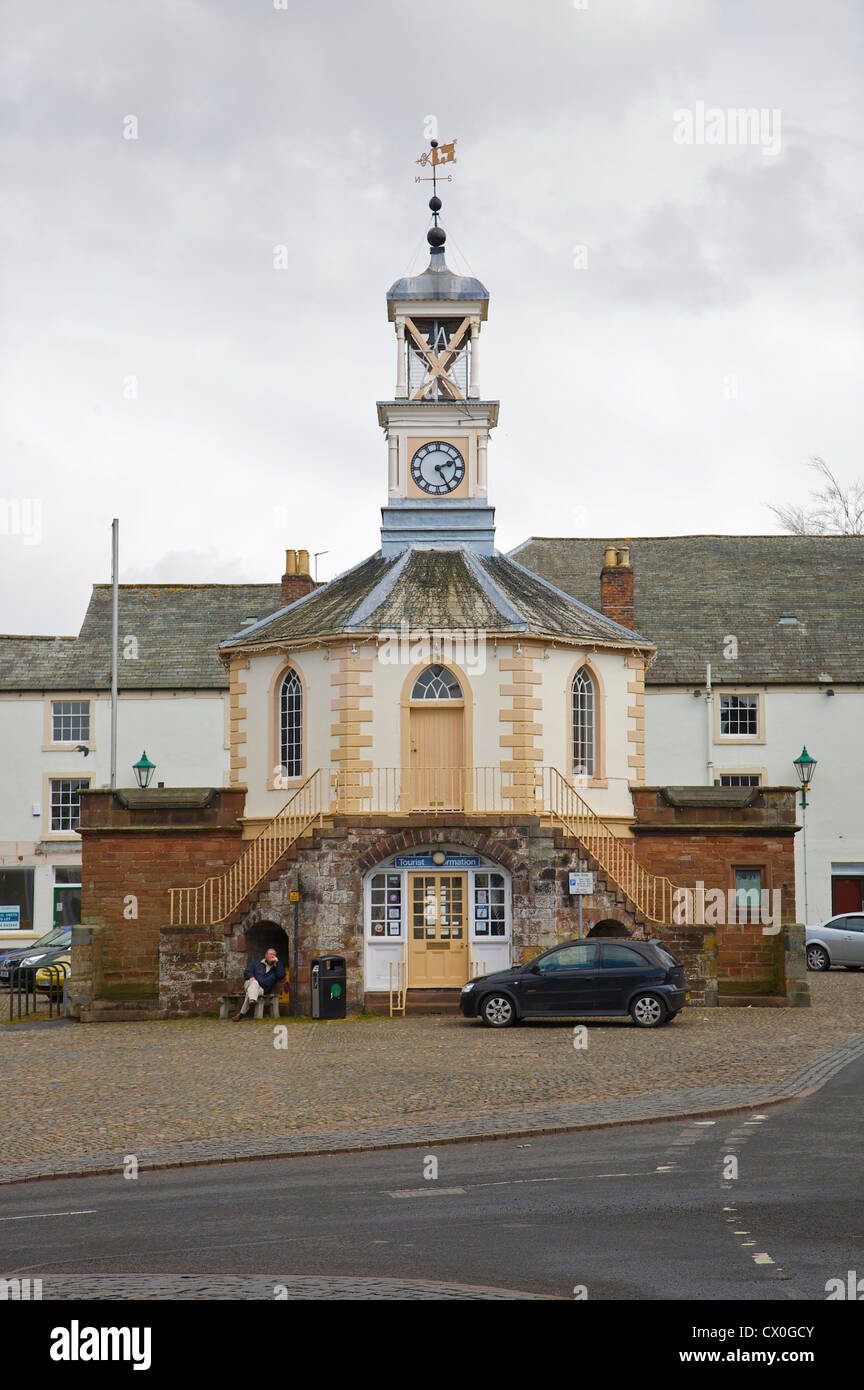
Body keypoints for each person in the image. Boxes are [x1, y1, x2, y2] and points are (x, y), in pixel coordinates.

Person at [232, 947, 286, 1020]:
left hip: (262, 989)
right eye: (271, 954)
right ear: (266, 955)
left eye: (274, 955)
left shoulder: (276, 968)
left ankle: (245, 1008)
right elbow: (247, 972)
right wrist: (251, 976)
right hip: (249, 984)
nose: (273, 956)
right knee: (254, 983)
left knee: (250, 992)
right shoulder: (256, 964)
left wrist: (278, 962)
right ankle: (252, 1000)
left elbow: (281, 975)